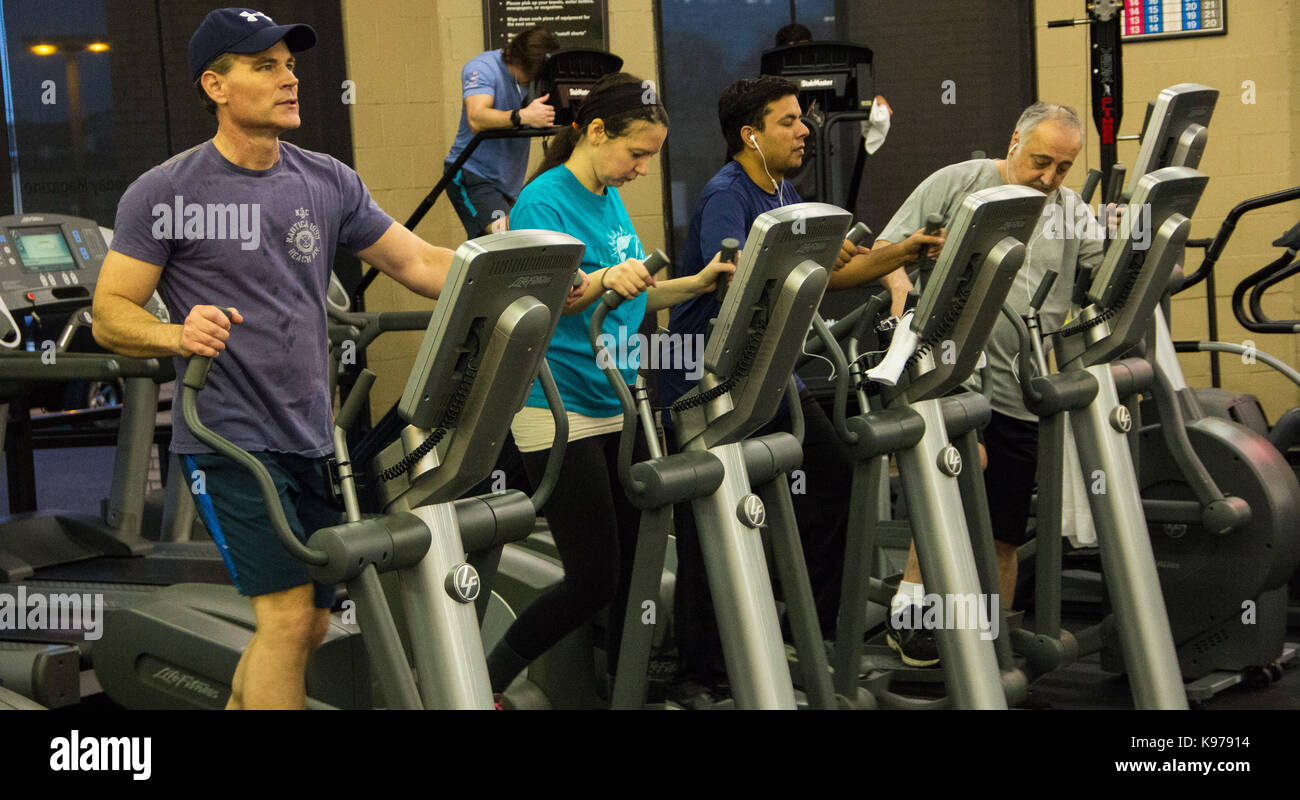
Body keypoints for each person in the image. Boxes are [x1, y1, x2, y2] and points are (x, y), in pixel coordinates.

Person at [91, 8, 579, 709]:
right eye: (265, 66)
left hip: (313, 438)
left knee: (311, 623)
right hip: (230, 442)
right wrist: (174, 335)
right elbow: (112, 312)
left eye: (290, 65)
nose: (290, 79)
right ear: (216, 86)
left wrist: (529, 277)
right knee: (288, 621)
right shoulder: (166, 191)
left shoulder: (327, 180)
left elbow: (419, 260)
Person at [659, 75, 942, 700]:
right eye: (788, 121)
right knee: (716, 511)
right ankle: (700, 672)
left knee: (833, 474)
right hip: (710, 378)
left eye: (801, 120)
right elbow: (734, 279)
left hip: (769, 371)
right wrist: (813, 261)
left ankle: (799, 627)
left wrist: (901, 254)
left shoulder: (783, 191)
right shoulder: (726, 195)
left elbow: (832, 275)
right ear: (750, 134)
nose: (804, 130)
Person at [484, 72, 734, 699]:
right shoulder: (544, 200)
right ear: (596, 133)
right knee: (594, 577)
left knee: (637, 569)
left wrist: (699, 282)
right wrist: (602, 281)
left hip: (619, 402)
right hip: (558, 407)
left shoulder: (608, 197)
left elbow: (635, 293)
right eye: (638, 154)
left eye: (652, 157)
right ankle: (484, 681)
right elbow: (553, 301)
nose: (644, 169)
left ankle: (624, 690)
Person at [834, 102, 1104, 666]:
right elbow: (889, 248)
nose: (1050, 179)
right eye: (1040, 162)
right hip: (949, 372)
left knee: (1004, 525)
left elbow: (1101, 278)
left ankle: (992, 647)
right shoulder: (958, 183)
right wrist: (905, 292)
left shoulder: (1072, 212)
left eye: (1063, 167)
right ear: (1012, 142)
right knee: (949, 492)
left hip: (1021, 386)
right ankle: (911, 624)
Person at [444, 26, 561, 238]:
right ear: (518, 62)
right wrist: (522, 116)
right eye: (528, 78)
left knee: (499, 250)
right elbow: (476, 118)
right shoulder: (482, 68)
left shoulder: (533, 79)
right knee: (505, 237)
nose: (529, 84)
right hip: (472, 174)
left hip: (508, 183)